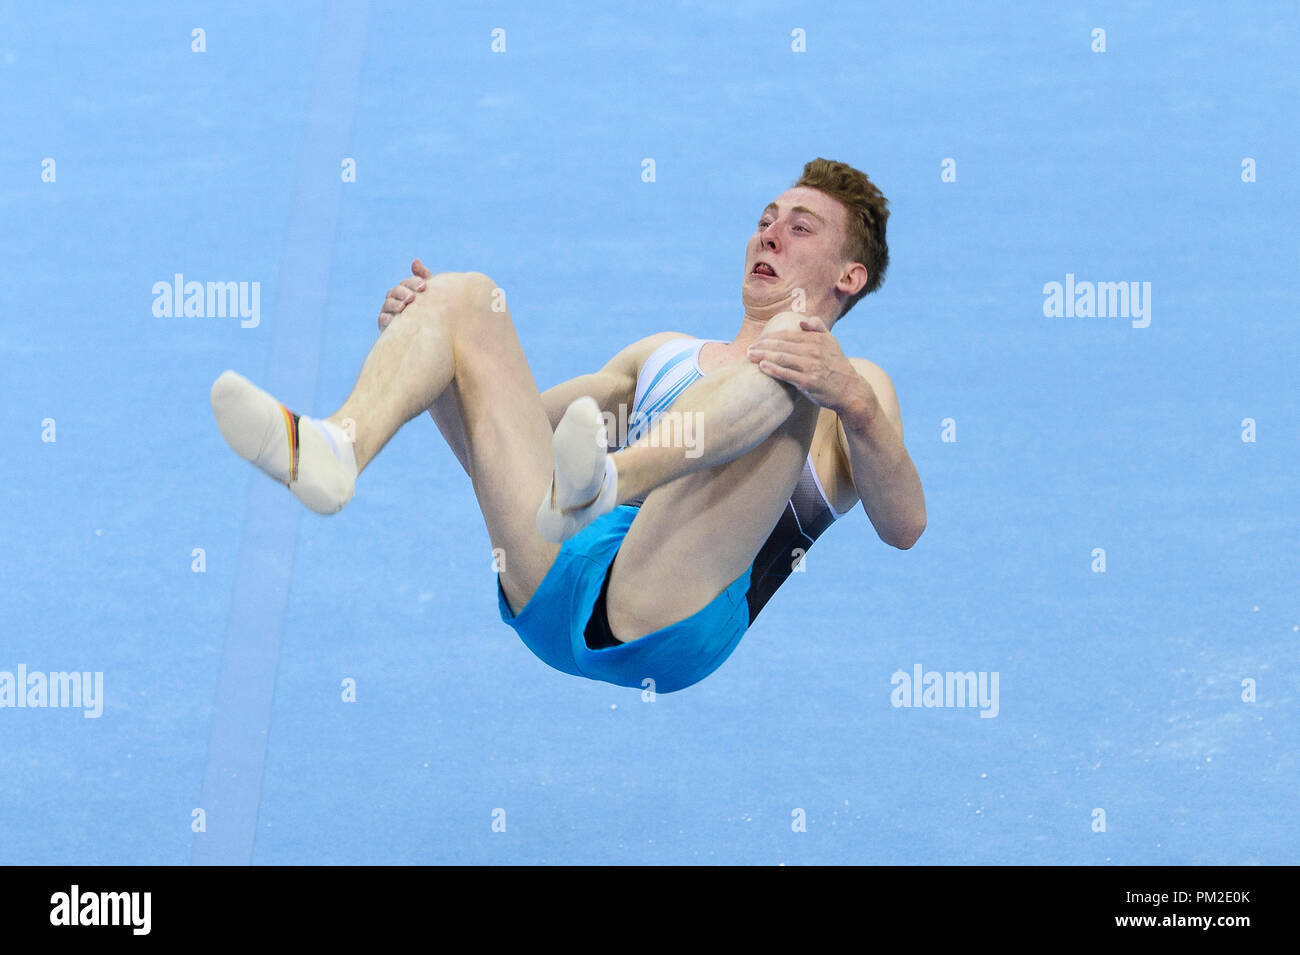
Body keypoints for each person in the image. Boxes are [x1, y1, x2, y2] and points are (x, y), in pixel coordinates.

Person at [210, 158, 926, 693]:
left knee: (794, 358)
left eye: (799, 228)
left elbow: (904, 525)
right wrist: (431, 351)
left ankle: (613, 481)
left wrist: (854, 402)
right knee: (466, 299)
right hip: (554, 579)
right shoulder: (663, 356)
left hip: (669, 610)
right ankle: (340, 446)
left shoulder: (847, 390)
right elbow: (500, 451)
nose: (770, 233)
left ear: (850, 276)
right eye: (766, 218)